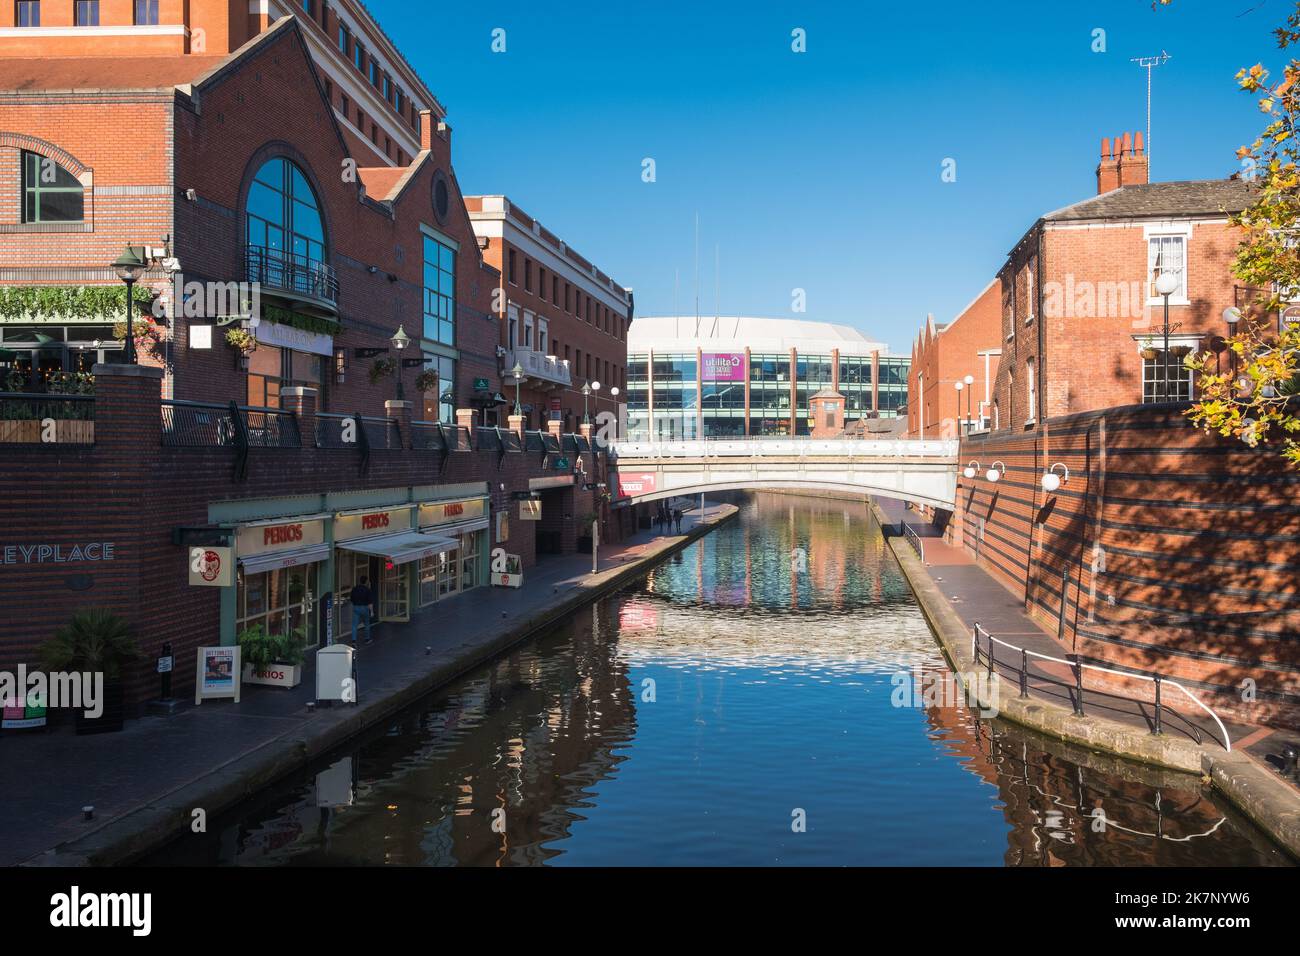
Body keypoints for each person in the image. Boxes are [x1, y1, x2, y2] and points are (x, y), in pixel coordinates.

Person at [350, 576, 373, 646]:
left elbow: (351, 599)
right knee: (366, 624)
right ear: (366, 582)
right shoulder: (367, 590)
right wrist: (371, 611)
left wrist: (355, 604)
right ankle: (367, 639)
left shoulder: (354, 589)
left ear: (360, 581)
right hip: (365, 608)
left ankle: (353, 641)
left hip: (356, 607)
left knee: (354, 625)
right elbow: (370, 602)